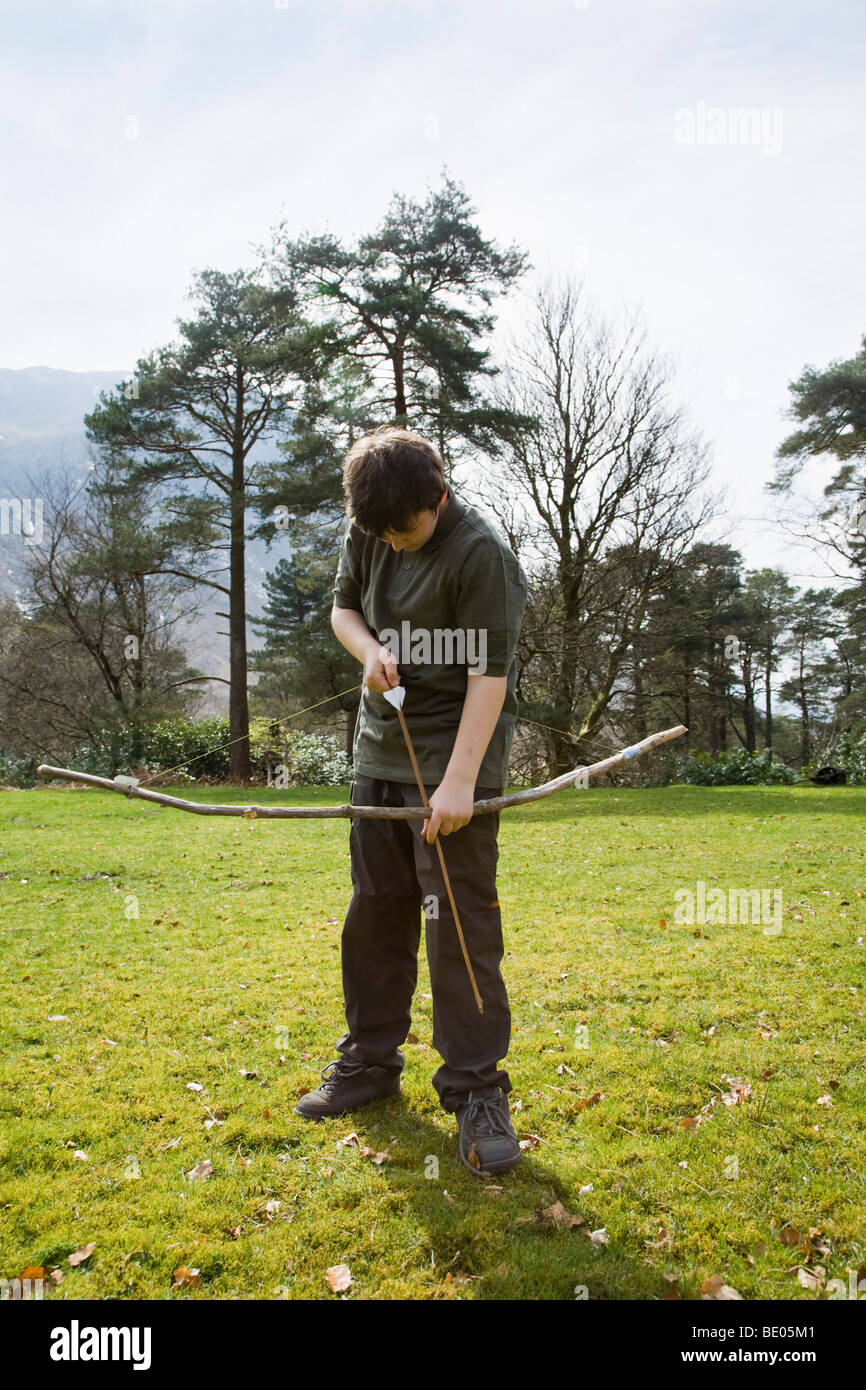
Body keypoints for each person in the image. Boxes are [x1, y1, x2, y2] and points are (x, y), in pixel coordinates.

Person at [294, 426, 528, 1176]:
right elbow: (343, 611)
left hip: (455, 759)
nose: (392, 546)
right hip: (378, 758)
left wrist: (460, 782)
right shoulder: (371, 528)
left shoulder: (480, 553)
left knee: (458, 928)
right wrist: (370, 652)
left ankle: (476, 1088)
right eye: (381, 535)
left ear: (438, 497)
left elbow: (491, 678)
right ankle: (368, 1062)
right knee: (376, 914)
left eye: (405, 532)